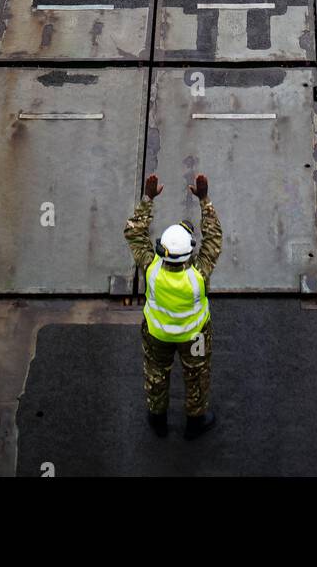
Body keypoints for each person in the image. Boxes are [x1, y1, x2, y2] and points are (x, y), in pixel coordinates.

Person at [124, 171, 222, 439]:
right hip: (195, 336)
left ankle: (158, 420)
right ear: (191, 251)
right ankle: (195, 423)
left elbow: (133, 232)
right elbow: (214, 238)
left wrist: (148, 198)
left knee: (156, 374)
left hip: (157, 335)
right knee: (196, 376)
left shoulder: (151, 268)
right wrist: (204, 200)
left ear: (160, 249)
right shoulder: (198, 274)